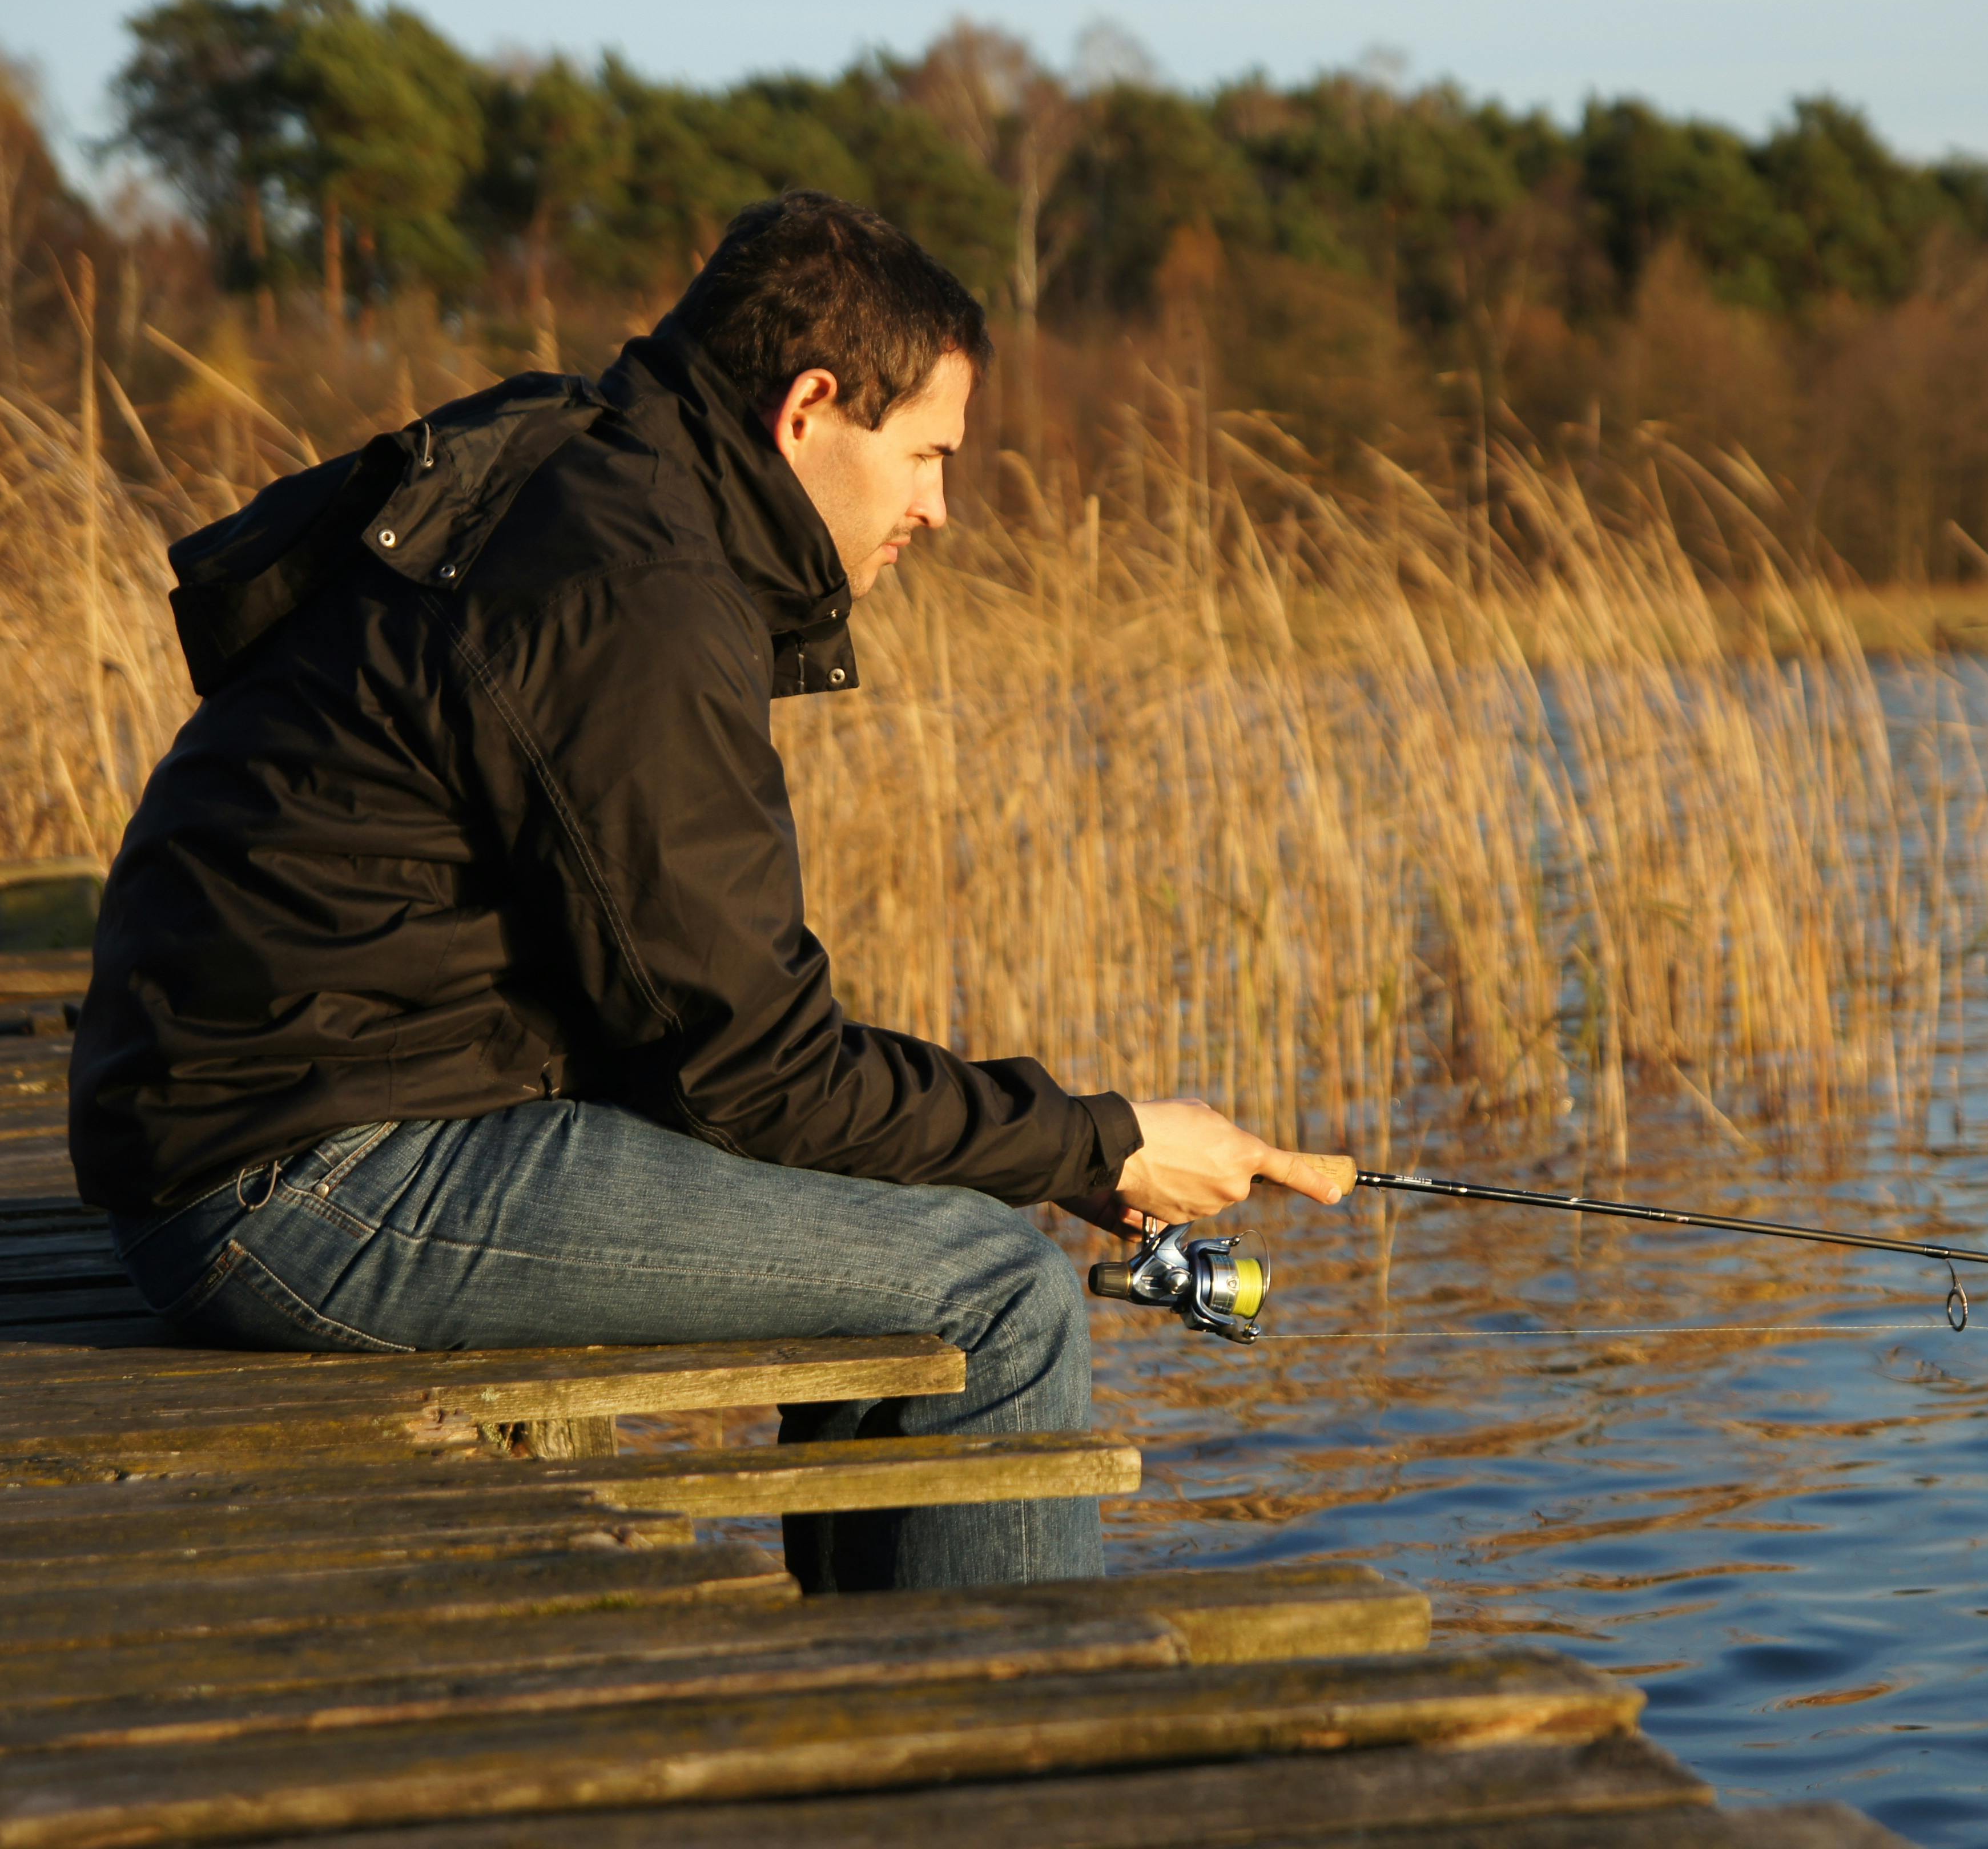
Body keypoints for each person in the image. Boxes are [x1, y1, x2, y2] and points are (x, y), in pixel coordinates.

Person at [68, 191, 1345, 1593]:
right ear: (808, 410)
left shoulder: (600, 487)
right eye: (925, 454)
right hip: (301, 1180)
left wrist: (1052, 1149)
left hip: (296, 1120)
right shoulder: (637, 587)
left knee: (932, 1238)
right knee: (999, 1294)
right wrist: (1092, 1142)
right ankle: (1009, 1753)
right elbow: (761, 1074)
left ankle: (899, 1713)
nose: (940, 505)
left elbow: (696, 1034)